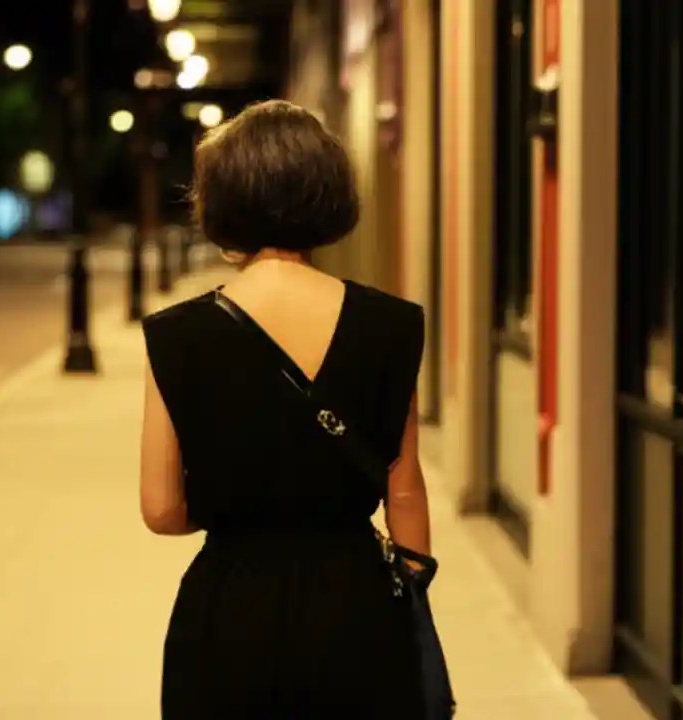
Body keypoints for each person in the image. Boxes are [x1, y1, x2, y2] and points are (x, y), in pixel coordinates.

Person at [139, 99, 432, 718]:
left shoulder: (175, 335)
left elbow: (162, 509)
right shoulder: (392, 325)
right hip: (355, 604)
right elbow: (403, 486)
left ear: (220, 201)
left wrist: (244, 510)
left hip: (228, 608)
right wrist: (409, 584)